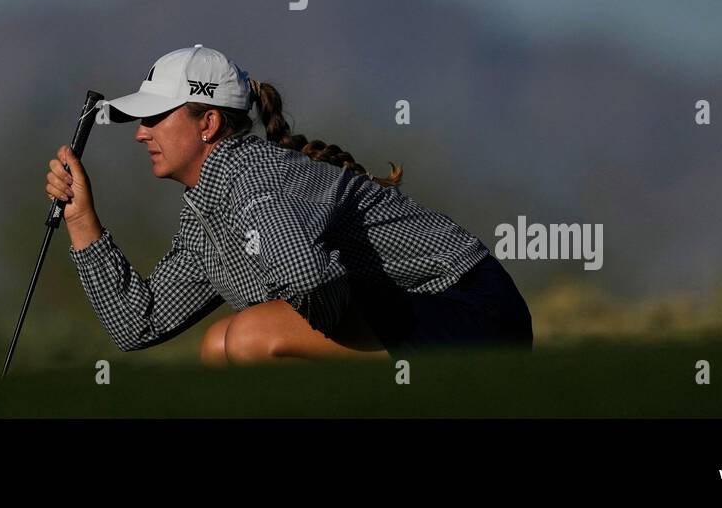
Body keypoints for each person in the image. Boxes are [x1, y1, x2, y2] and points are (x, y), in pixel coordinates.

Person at [44, 44, 532, 365]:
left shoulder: (253, 175)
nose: (140, 133)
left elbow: (313, 281)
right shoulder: (203, 211)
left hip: (475, 313)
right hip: (407, 319)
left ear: (207, 124)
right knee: (220, 346)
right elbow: (137, 322)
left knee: (249, 338)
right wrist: (82, 220)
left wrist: (270, 313)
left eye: (153, 116)